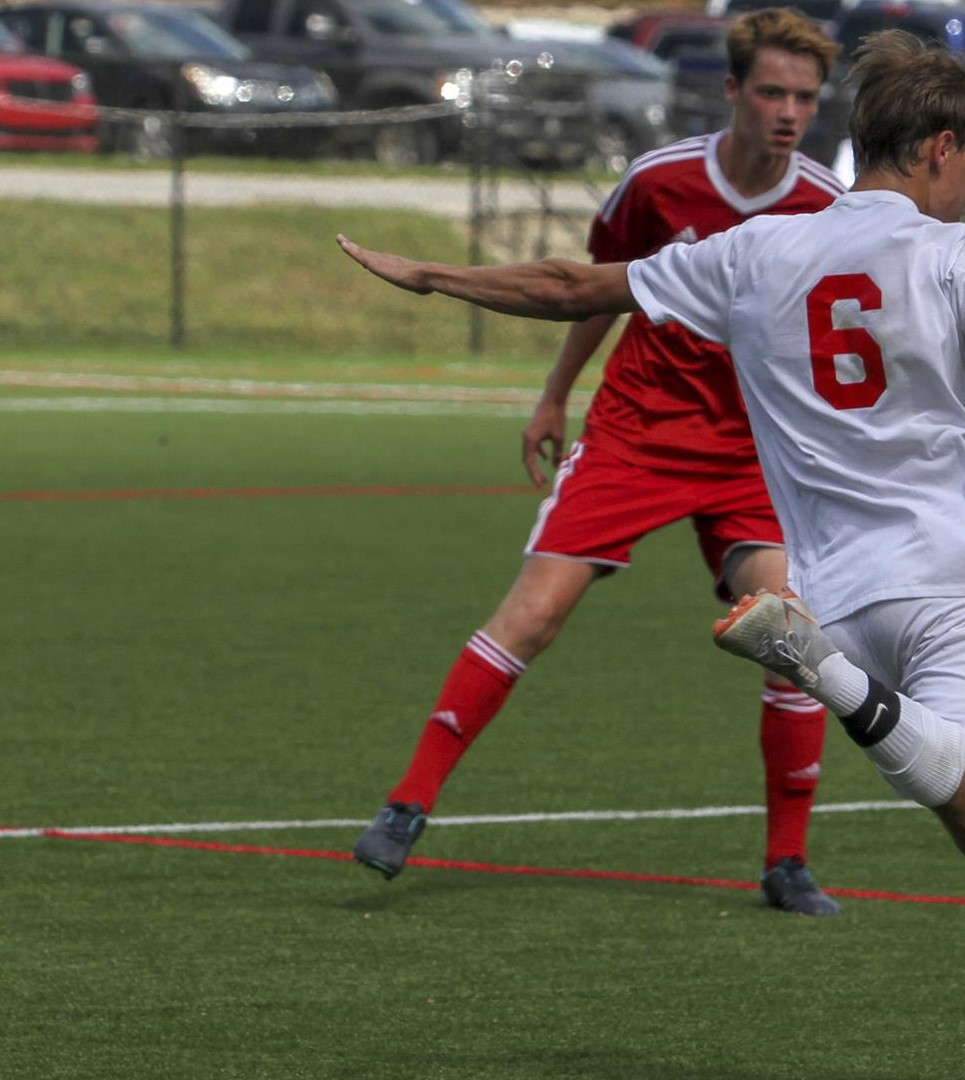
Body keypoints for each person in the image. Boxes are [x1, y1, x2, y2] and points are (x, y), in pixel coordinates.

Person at [337, 29, 965, 1080]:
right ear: (937, 148)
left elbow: (569, 285)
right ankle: (823, 679)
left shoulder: (758, 250)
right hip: (953, 586)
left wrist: (427, 274)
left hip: (835, 595)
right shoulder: (956, 253)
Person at [348, 8, 848, 917]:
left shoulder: (824, 203)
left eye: (804, 98)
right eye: (770, 91)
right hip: (638, 432)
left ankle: (788, 863)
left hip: (750, 456)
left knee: (795, 638)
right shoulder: (658, 181)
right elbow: (592, 288)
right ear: (733, 91)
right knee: (533, 612)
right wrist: (554, 394)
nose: (787, 111)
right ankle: (407, 802)